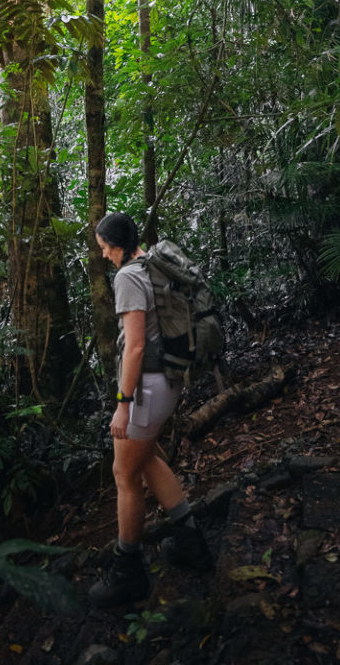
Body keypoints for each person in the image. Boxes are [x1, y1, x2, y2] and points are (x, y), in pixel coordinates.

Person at [88, 212, 212, 607]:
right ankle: (191, 541)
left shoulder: (128, 277)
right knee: (146, 459)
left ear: (118, 245)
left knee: (124, 474)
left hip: (147, 389)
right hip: (168, 382)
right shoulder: (150, 264)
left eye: (105, 248)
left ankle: (129, 571)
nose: (105, 255)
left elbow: (136, 346)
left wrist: (122, 406)